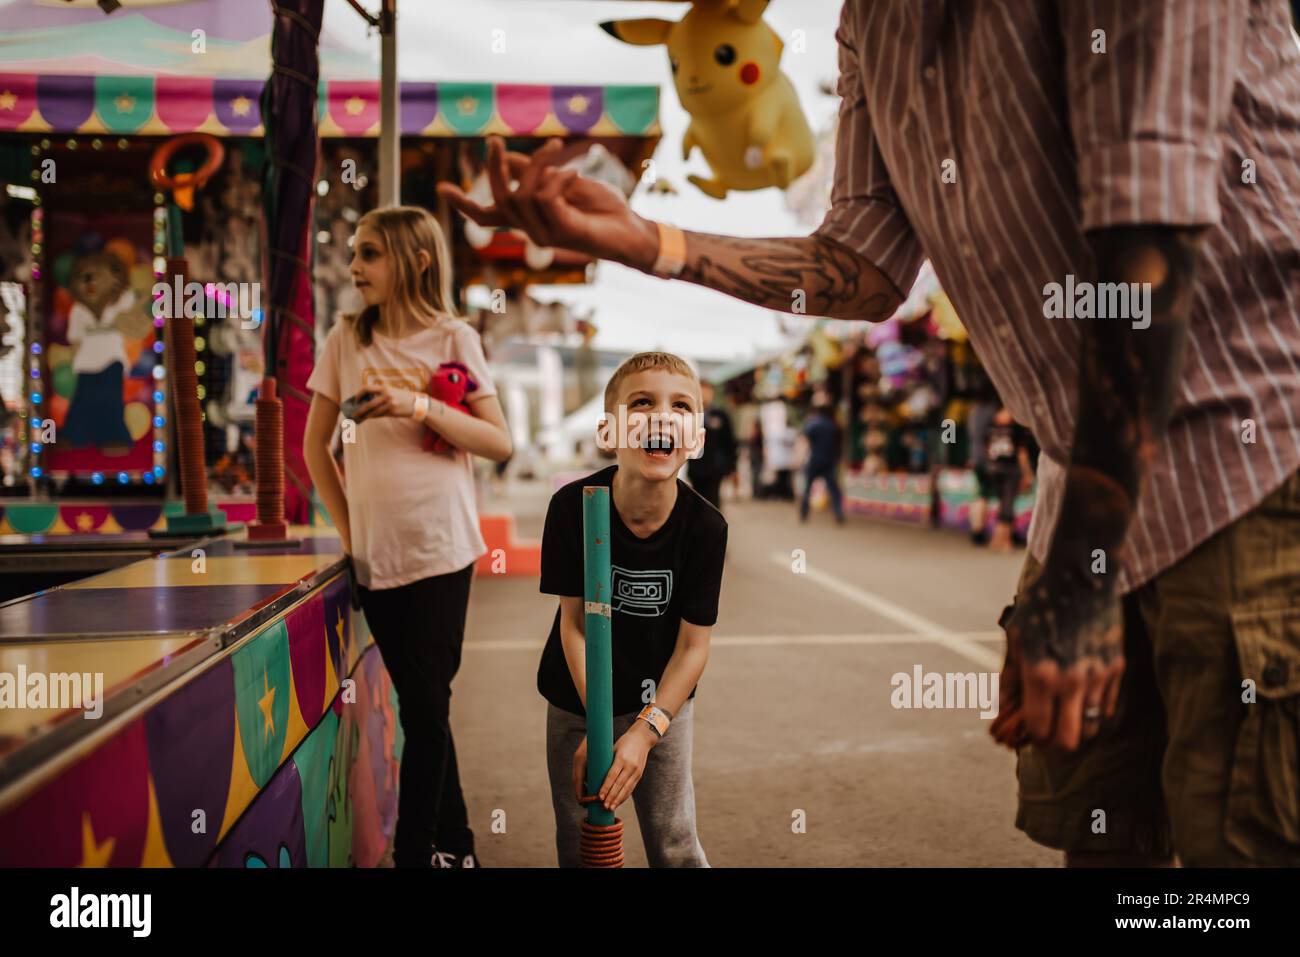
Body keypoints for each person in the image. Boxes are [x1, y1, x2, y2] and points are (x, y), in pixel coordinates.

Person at [439, 2, 1300, 867]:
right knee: (1100, 830)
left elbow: (1145, 246)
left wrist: (1076, 580)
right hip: (1081, 481)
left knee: (1239, 841)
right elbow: (864, 262)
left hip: (1245, 467)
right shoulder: (872, 22)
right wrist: (649, 240)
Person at [303, 206, 512, 868]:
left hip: (444, 548)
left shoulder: (454, 337)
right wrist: (349, 530)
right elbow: (315, 449)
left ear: (416, 260)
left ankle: (415, 854)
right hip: (377, 559)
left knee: (427, 705)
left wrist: (417, 403)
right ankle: (460, 843)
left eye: (369, 253)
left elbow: (499, 441)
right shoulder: (345, 339)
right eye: (355, 253)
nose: (354, 266)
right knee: (427, 708)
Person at [536, 352, 727, 867]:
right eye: (642, 403)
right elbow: (573, 624)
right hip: (578, 699)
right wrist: (600, 729)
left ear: (697, 438)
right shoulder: (572, 506)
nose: (662, 416)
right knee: (582, 841)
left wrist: (644, 732)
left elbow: (693, 647)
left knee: (674, 841)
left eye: (681, 406)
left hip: (662, 703)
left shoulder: (706, 528)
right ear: (608, 431)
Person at [983, 407, 1034, 552]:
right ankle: (1005, 541)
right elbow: (1021, 453)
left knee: (1002, 502)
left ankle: (996, 540)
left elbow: (986, 446)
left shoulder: (991, 425)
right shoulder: (1016, 428)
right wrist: (1027, 474)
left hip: (993, 468)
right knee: (1008, 503)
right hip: (1010, 468)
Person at [686, 380, 737, 510]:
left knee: (712, 500)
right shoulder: (689, 415)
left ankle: (713, 525)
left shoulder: (720, 414)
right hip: (696, 466)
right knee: (697, 499)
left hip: (715, 466)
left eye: (706, 391)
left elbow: (729, 441)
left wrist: (732, 467)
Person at [798, 393, 845, 525]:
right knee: (833, 489)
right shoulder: (834, 425)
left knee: (807, 488)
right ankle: (838, 513)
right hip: (829, 460)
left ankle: (803, 513)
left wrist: (800, 458)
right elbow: (839, 445)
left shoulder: (812, 423)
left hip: (815, 459)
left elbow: (804, 442)